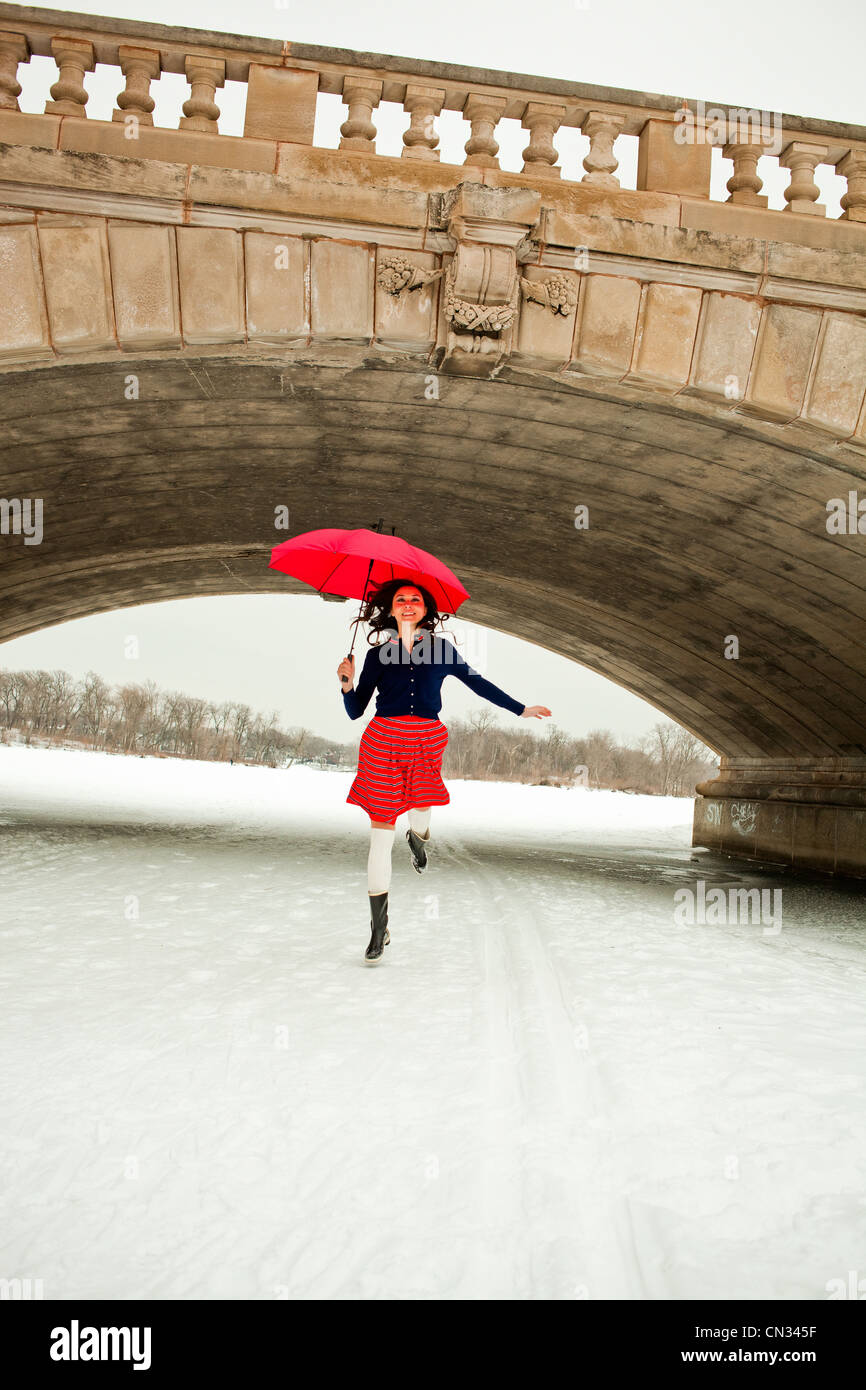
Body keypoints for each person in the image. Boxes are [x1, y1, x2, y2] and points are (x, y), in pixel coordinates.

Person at [337, 577, 551, 964]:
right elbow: (356, 711)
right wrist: (347, 685)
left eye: (414, 599)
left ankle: (418, 838)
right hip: (382, 741)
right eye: (400, 599)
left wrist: (521, 708)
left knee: (421, 810)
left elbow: (478, 683)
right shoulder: (377, 655)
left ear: (425, 609)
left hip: (426, 740)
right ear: (390, 608)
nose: (407, 604)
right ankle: (378, 929)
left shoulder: (441, 650)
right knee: (379, 836)